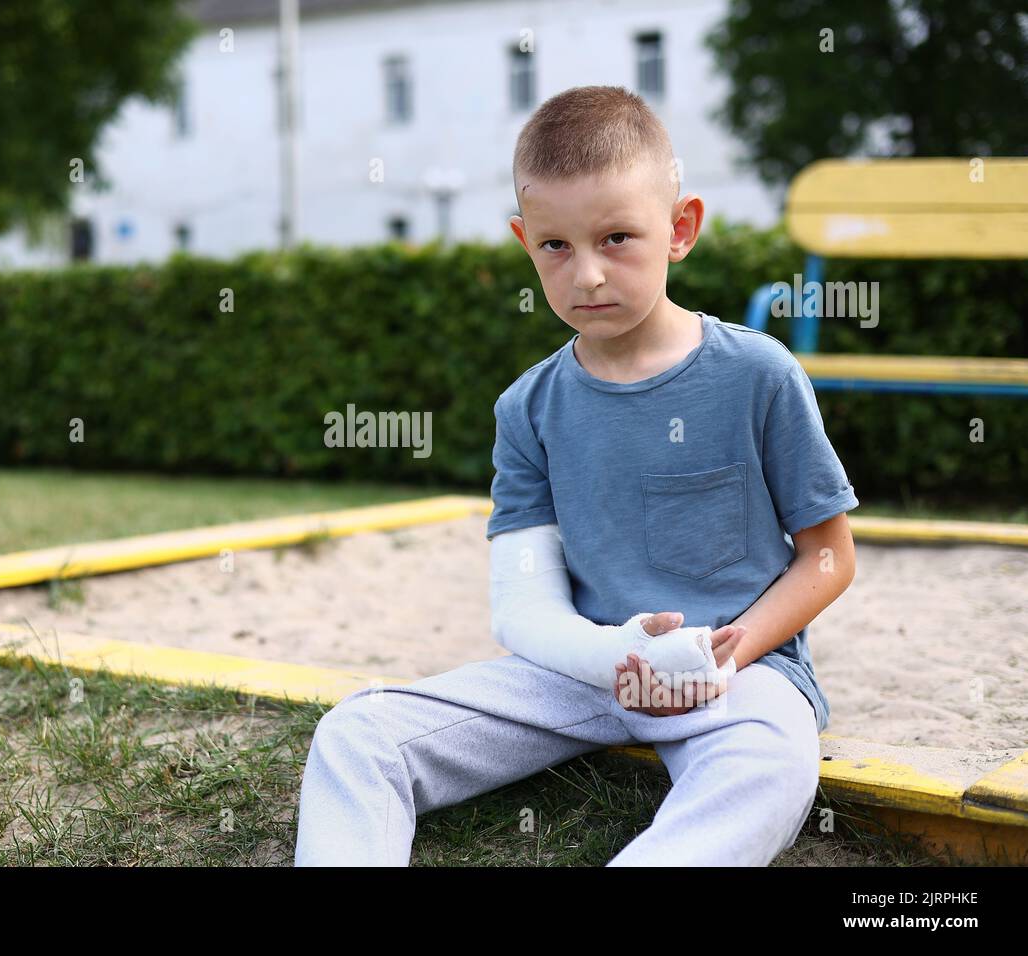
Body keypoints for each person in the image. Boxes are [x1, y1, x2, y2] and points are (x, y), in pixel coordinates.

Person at [293, 85, 859, 866]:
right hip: (578, 672)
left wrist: (729, 650)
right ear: (526, 241)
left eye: (618, 237)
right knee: (357, 730)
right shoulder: (526, 408)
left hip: (739, 674)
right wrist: (613, 659)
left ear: (681, 229)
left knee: (769, 769)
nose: (587, 275)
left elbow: (830, 555)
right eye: (556, 246)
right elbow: (524, 598)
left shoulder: (759, 374)